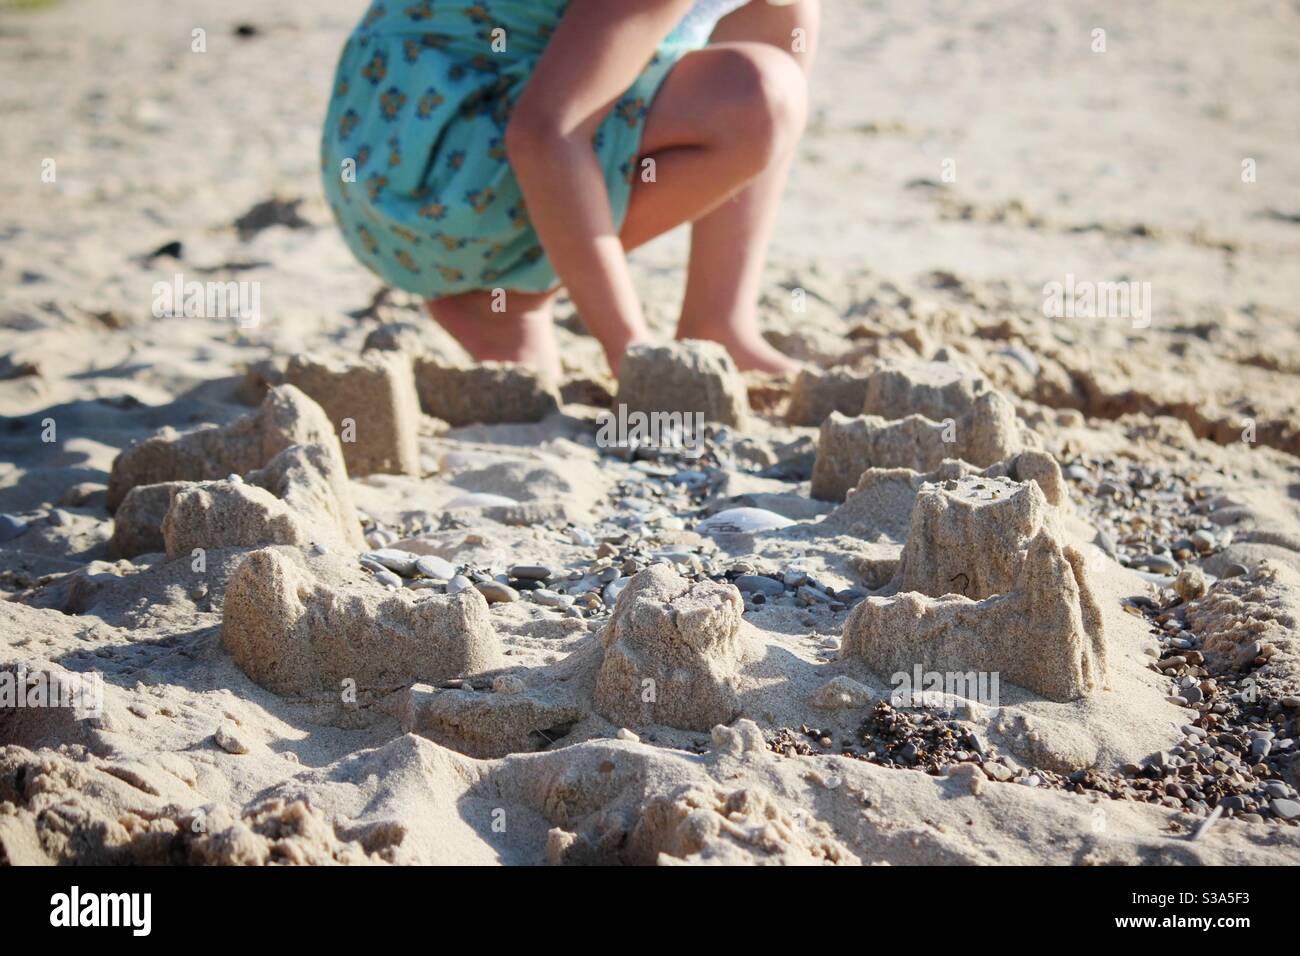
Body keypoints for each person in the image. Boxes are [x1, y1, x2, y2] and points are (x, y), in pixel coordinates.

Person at [321, 0, 817, 380]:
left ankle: (719, 321)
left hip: (397, 138)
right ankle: (501, 293)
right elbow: (543, 133)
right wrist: (632, 352)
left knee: (783, 16)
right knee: (758, 95)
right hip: (416, 173)